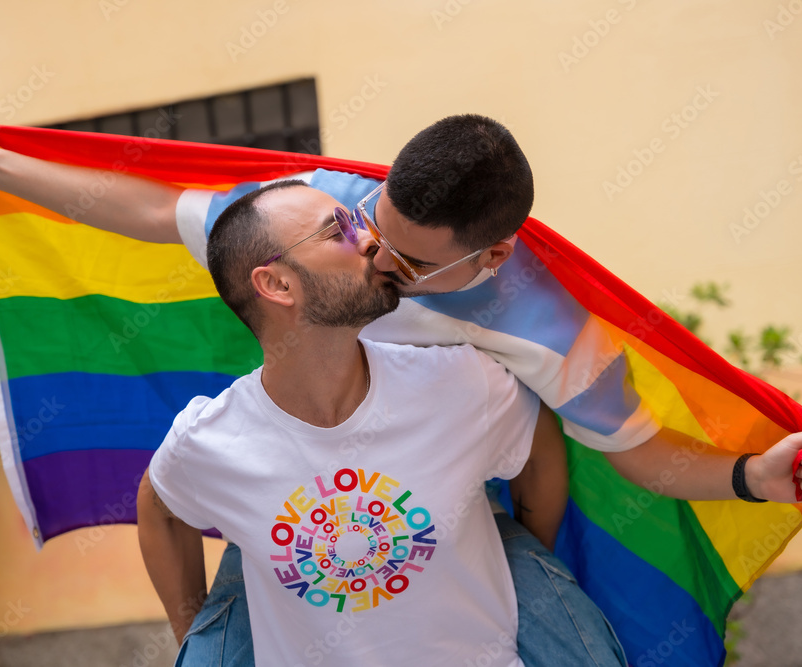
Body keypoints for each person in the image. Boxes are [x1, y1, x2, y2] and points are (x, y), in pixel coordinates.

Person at [0, 115, 802, 665]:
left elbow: (632, 452)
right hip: (294, 504)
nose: (376, 253)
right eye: (369, 226)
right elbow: (152, 210)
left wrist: (747, 475)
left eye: (407, 257)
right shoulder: (315, 218)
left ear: (488, 258)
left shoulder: (545, 332)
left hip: (454, 519)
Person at [140, 179, 607, 666]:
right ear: (277, 284)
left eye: (358, 222)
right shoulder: (208, 441)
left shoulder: (464, 383)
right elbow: (160, 509)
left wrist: (527, 558)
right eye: (335, 230)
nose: (370, 240)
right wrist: (194, 636)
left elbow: (538, 447)